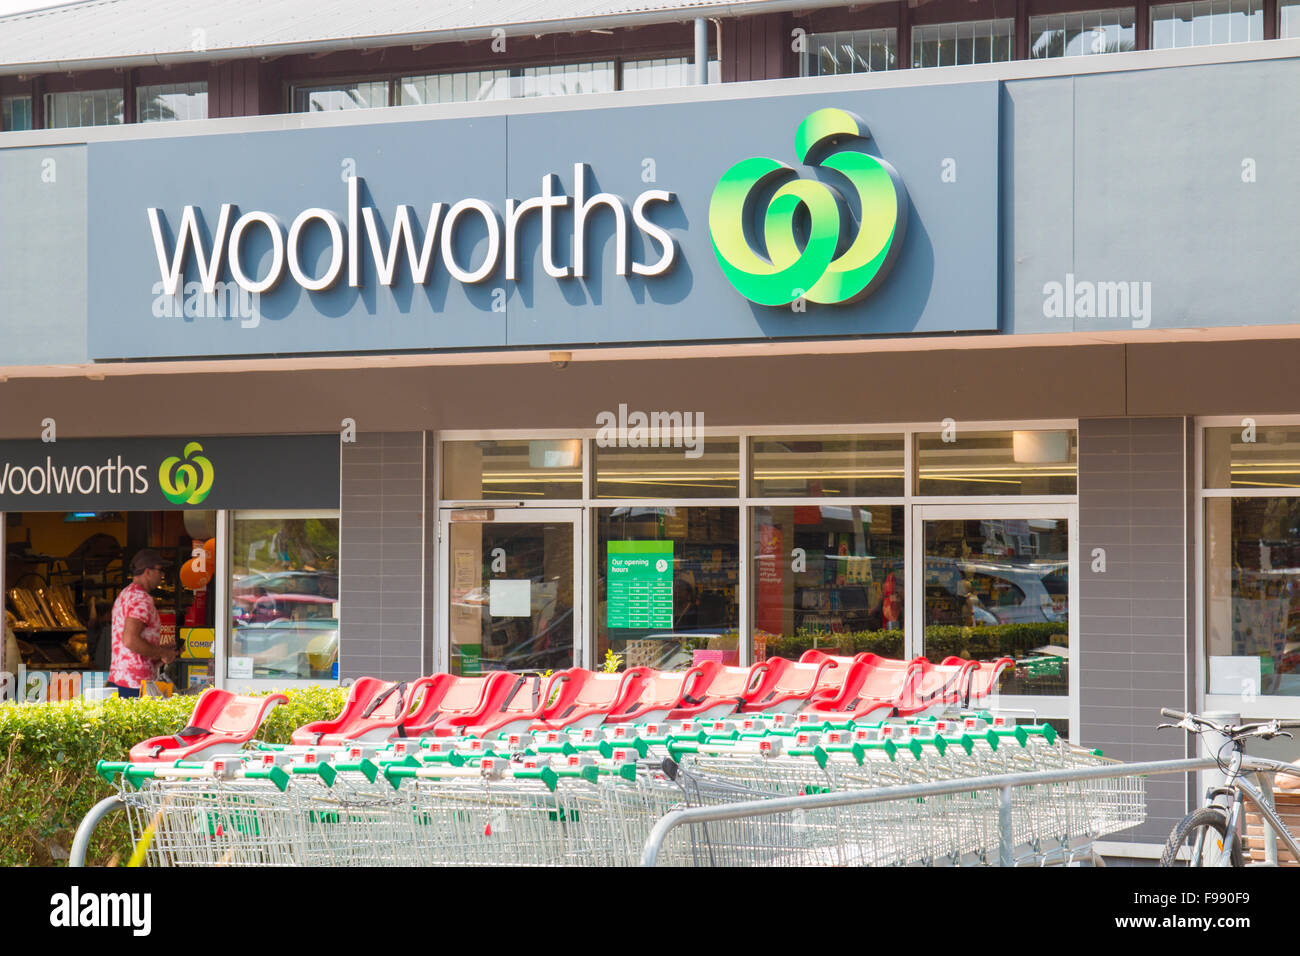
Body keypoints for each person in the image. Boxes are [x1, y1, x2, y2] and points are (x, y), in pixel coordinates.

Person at [108, 548, 174, 698]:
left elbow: (129, 643)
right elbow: (130, 640)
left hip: (120, 678)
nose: (162, 575)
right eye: (160, 570)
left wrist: (160, 651)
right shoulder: (141, 599)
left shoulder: (125, 594)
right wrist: (162, 653)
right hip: (136, 683)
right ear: (148, 572)